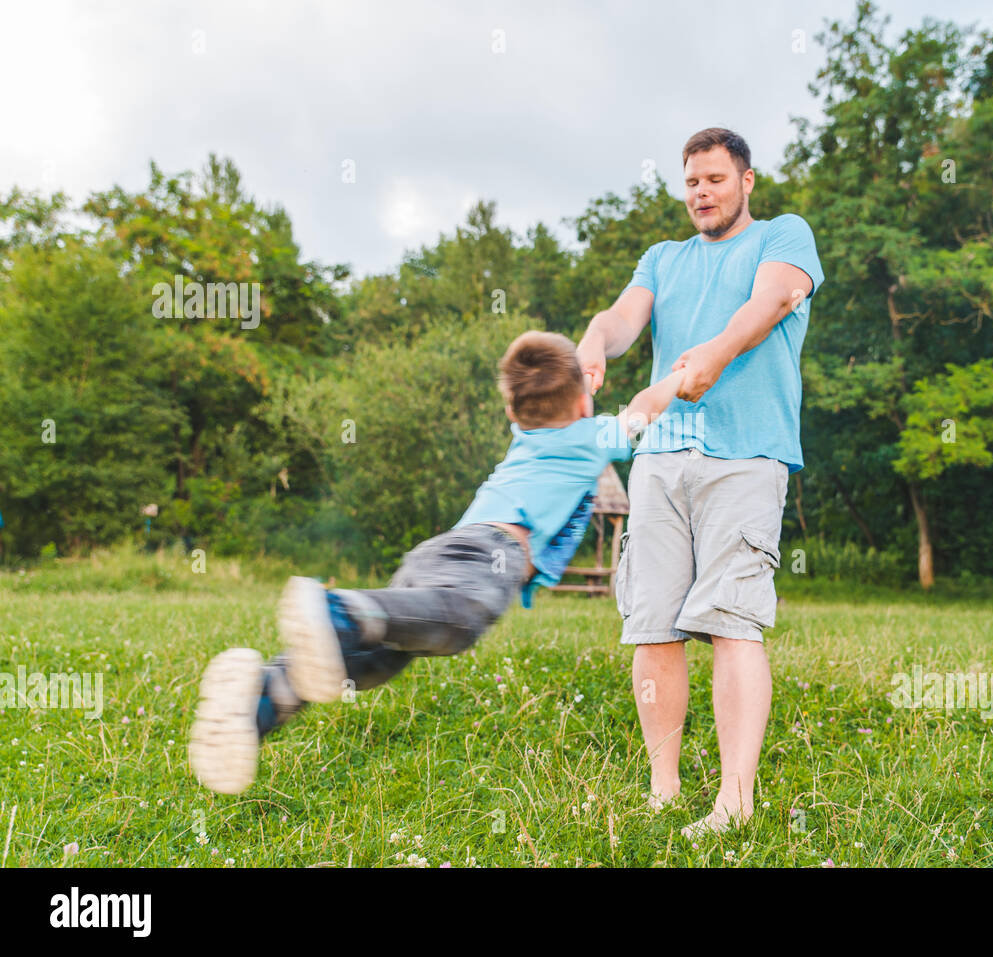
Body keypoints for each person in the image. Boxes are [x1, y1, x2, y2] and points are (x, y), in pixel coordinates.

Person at [189, 330, 683, 795]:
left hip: (440, 554)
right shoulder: (587, 437)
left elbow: (558, 405)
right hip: (487, 556)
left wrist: (579, 385)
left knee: (382, 658)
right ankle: (339, 610)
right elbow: (641, 411)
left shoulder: (529, 435)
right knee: (461, 621)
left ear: (513, 409)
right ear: (581, 402)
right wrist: (679, 377)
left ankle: (266, 694)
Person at [574, 127, 824, 838]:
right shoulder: (664, 257)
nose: (701, 193)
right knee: (653, 623)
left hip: (745, 457)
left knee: (731, 621)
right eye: (691, 182)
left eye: (714, 179)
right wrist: (594, 341)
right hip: (660, 462)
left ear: (746, 181)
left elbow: (771, 303)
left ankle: (734, 800)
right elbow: (625, 318)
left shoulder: (782, 235)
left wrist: (705, 360)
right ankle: (664, 787)